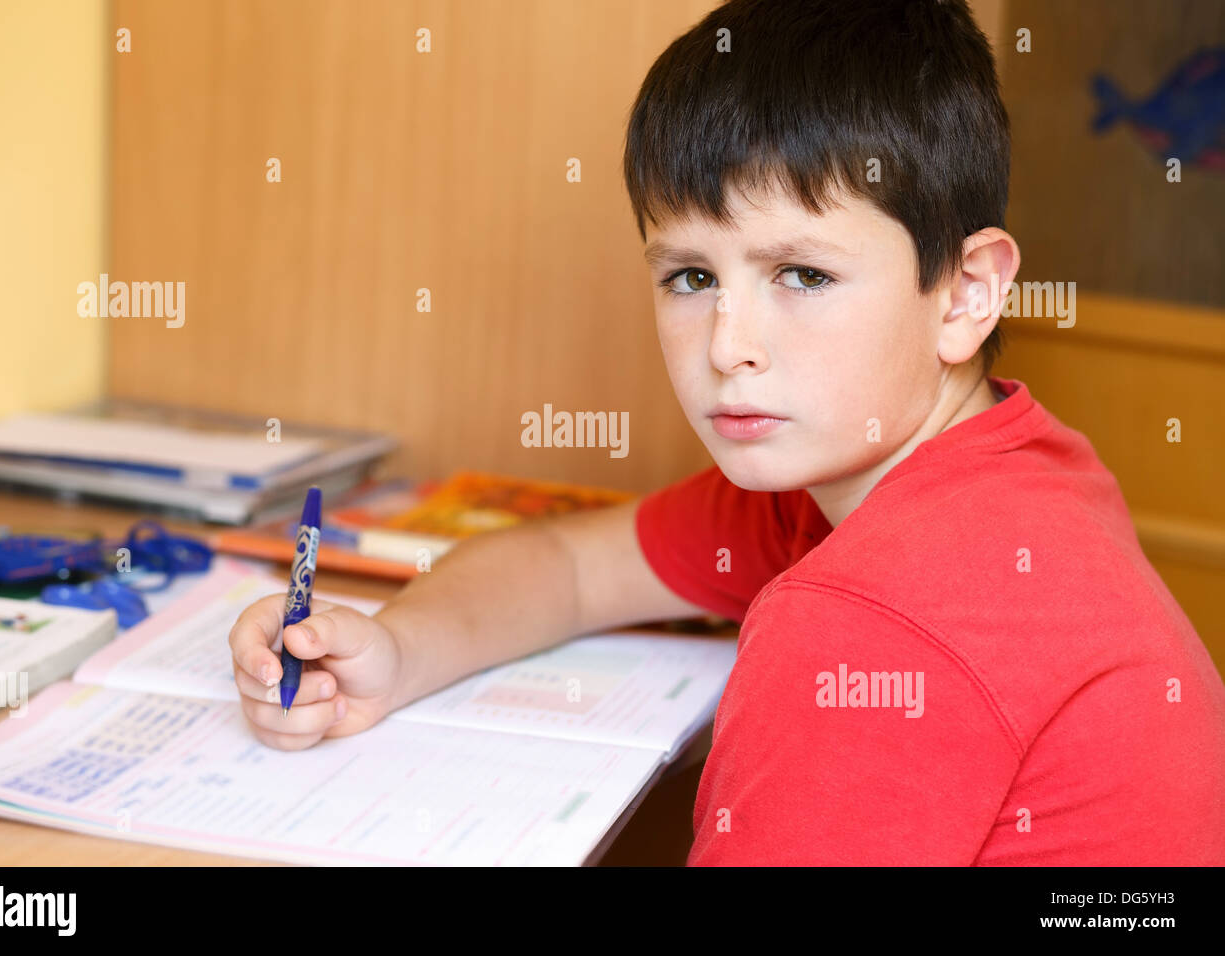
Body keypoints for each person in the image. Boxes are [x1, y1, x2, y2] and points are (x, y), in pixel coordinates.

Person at [228, 0, 1225, 865]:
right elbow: (570, 565)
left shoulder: (869, 617)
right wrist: (393, 651)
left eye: (803, 274)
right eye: (691, 276)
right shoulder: (972, 464)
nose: (726, 345)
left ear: (964, 292)